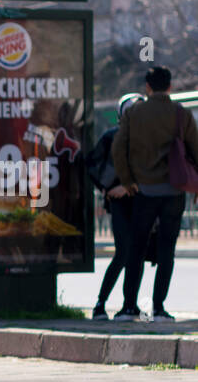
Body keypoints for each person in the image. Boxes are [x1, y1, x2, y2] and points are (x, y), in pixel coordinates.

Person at [111, 65, 198, 322]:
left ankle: (129, 307)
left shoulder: (134, 113)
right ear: (170, 86)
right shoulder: (181, 114)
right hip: (174, 190)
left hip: (143, 191)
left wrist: (127, 181)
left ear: (147, 88)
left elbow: (118, 148)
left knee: (136, 248)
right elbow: (196, 149)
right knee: (166, 249)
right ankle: (159, 307)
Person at [85, 93, 146, 320]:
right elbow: (92, 164)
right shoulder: (112, 136)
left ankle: (130, 306)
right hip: (120, 204)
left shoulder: (151, 138)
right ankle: (101, 303)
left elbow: (155, 170)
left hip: (143, 202)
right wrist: (106, 188)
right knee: (123, 252)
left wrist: (130, 186)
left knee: (137, 254)